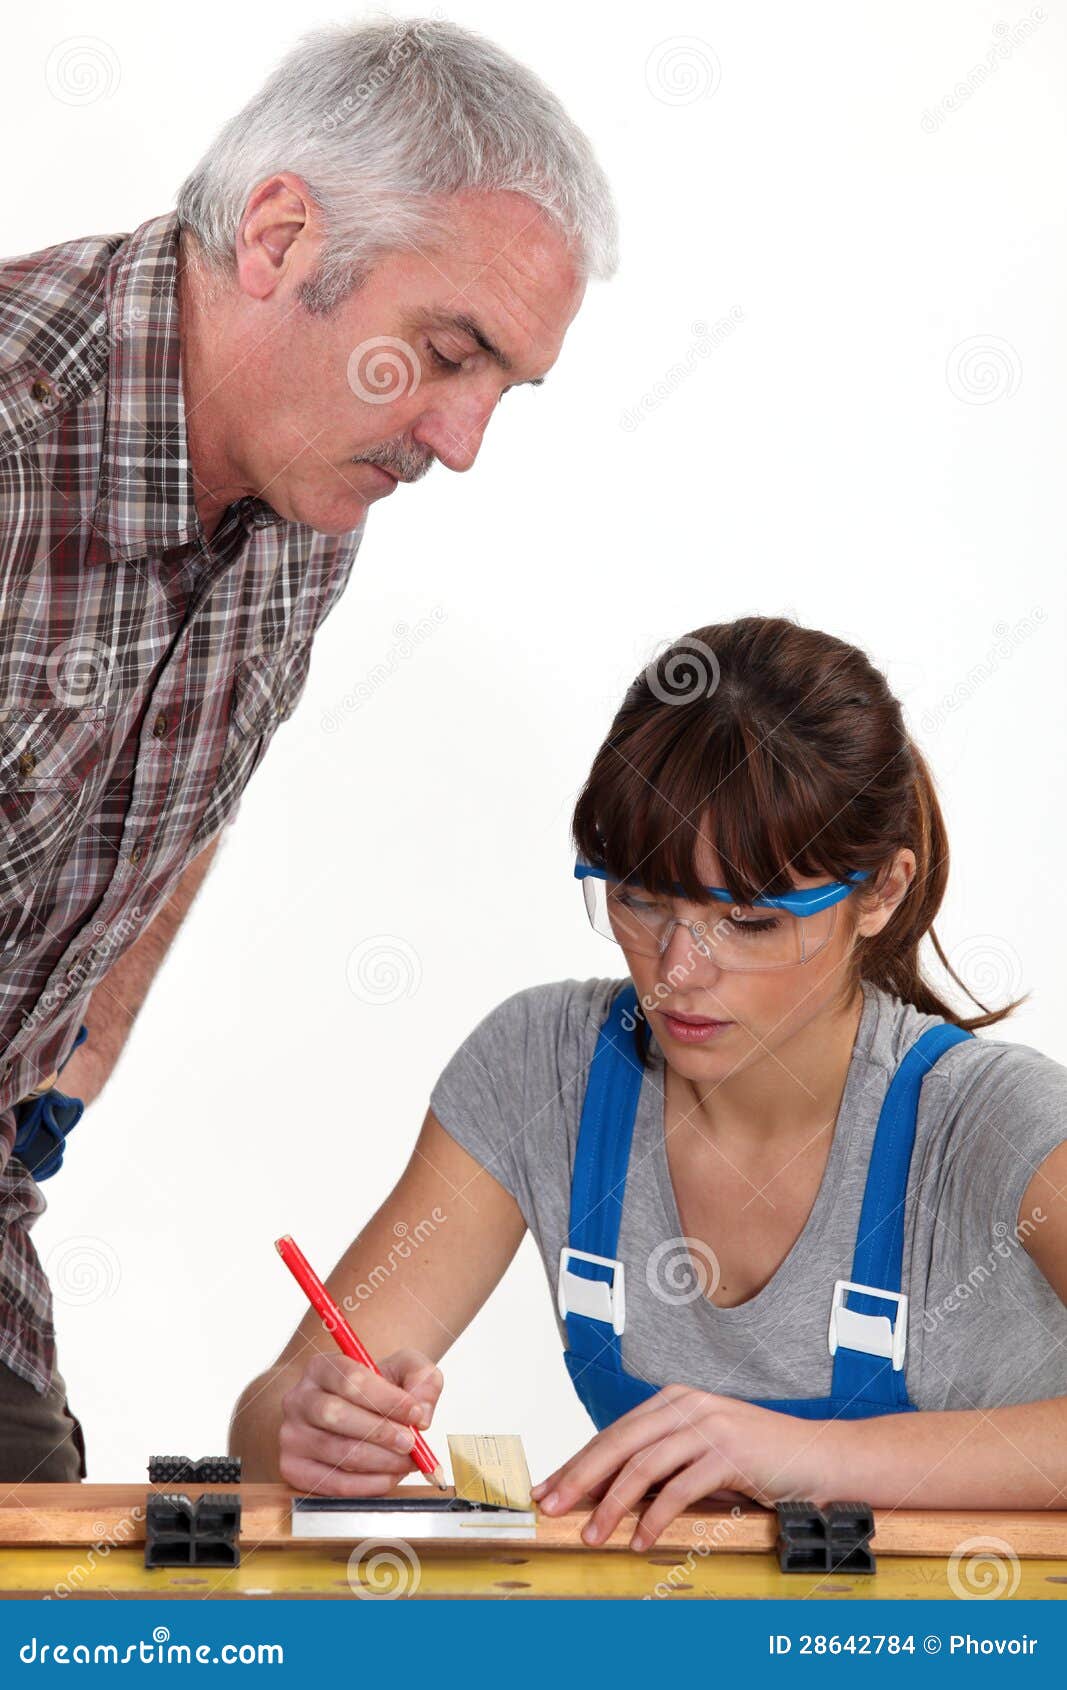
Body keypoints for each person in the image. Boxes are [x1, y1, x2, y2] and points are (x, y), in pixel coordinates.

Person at [0, 17, 616, 1480]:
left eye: (501, 390)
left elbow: (178, 800)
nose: (458, 441)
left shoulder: (307, 510)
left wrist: (60, 1089)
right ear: (278, 233)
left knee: (73, 1609)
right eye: (449, 354)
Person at [232, 616, 1067, 1549]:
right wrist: (310, 1430)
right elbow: (264, 1425)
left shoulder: (994, 1124)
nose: (676, 968)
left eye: (747, 921)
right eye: (639, 899)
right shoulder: (539, 1071)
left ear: (878, 893)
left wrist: (805, 1458)